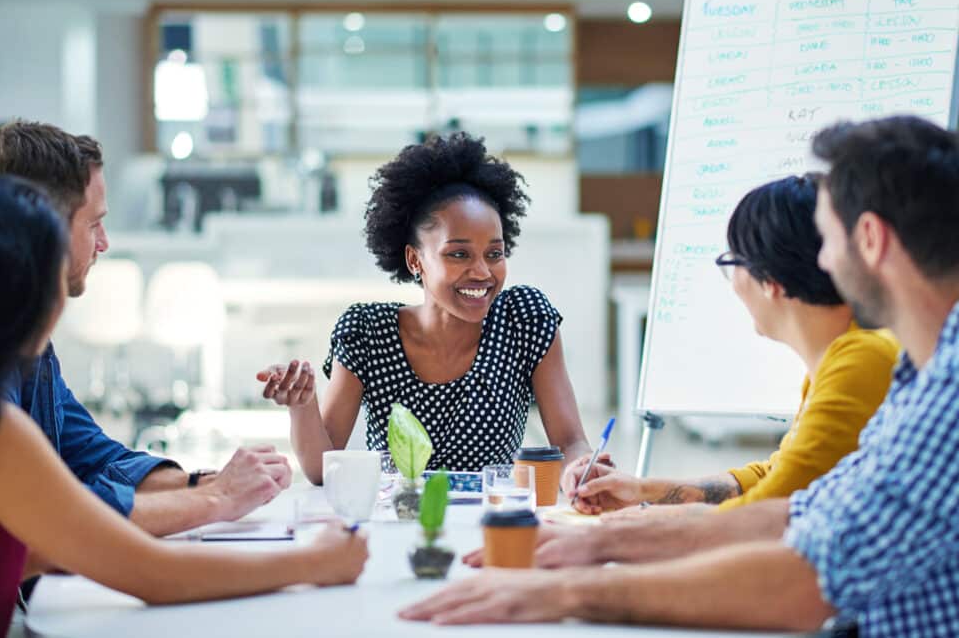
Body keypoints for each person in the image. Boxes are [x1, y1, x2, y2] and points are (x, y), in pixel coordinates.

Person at [401, 115, 959, 636]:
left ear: (870, 239)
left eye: (826, 238)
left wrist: (573, 587)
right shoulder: (921, 374)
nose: (822, 262)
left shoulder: (944, 396)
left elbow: (808, 575)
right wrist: (610, 537)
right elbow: (804, 510)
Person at [0, 176, 368, 638]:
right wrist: (315, 562)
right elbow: (154, 575)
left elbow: (55, 537)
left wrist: (207, 488)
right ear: (31, 293)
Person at [0, 120, 291, 537]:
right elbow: (43, 519)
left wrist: (209, 482)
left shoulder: (28, 341)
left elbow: (92, 457)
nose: (104, 243)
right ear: (40, 228)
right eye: (92, 224)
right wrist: (215, 499)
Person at [558, 174, 898, 522]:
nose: (733, 285)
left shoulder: (860, 361)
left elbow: (769, 510)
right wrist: (642, 491)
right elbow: (775, 475)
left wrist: (646, 525)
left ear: (771, 280)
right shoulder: (842, 355)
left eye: (732, 264)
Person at [258, 132, 591, 484]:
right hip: (397, 522)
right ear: (415, 259)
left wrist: (583, 467)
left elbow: (570, 442)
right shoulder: (367, 332)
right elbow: (322, 470)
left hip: (491, 522)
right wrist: (302, 405)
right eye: (458, 254)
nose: (482, 272)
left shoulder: (524, 320)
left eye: (494, 254)